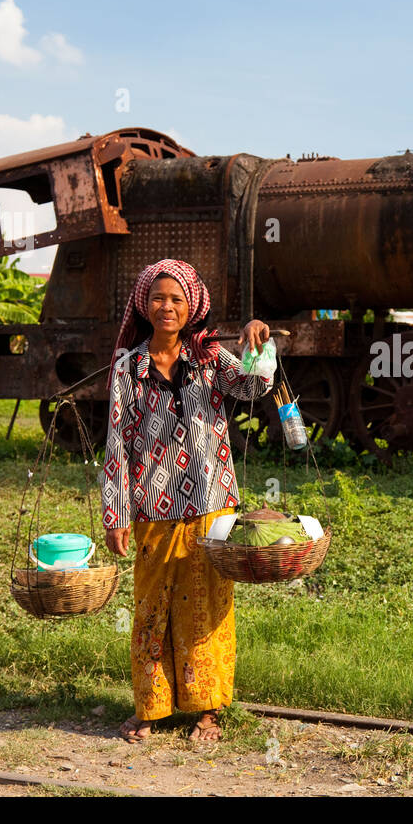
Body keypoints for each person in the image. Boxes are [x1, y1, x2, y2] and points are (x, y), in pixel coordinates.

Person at [101, 258, 273, 744]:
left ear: (191, 304)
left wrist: (258, 341)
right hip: (152, 507)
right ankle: (150, 708)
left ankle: (208, 711)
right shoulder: (127, 367)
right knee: (151, 607)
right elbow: (116, 442)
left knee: (206, 608)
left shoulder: (210, 358)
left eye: (176, 298)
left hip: (211, 501)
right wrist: (115, 514)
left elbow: (255, 387)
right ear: (144, 304)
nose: (167, 307)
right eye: (158, 298)